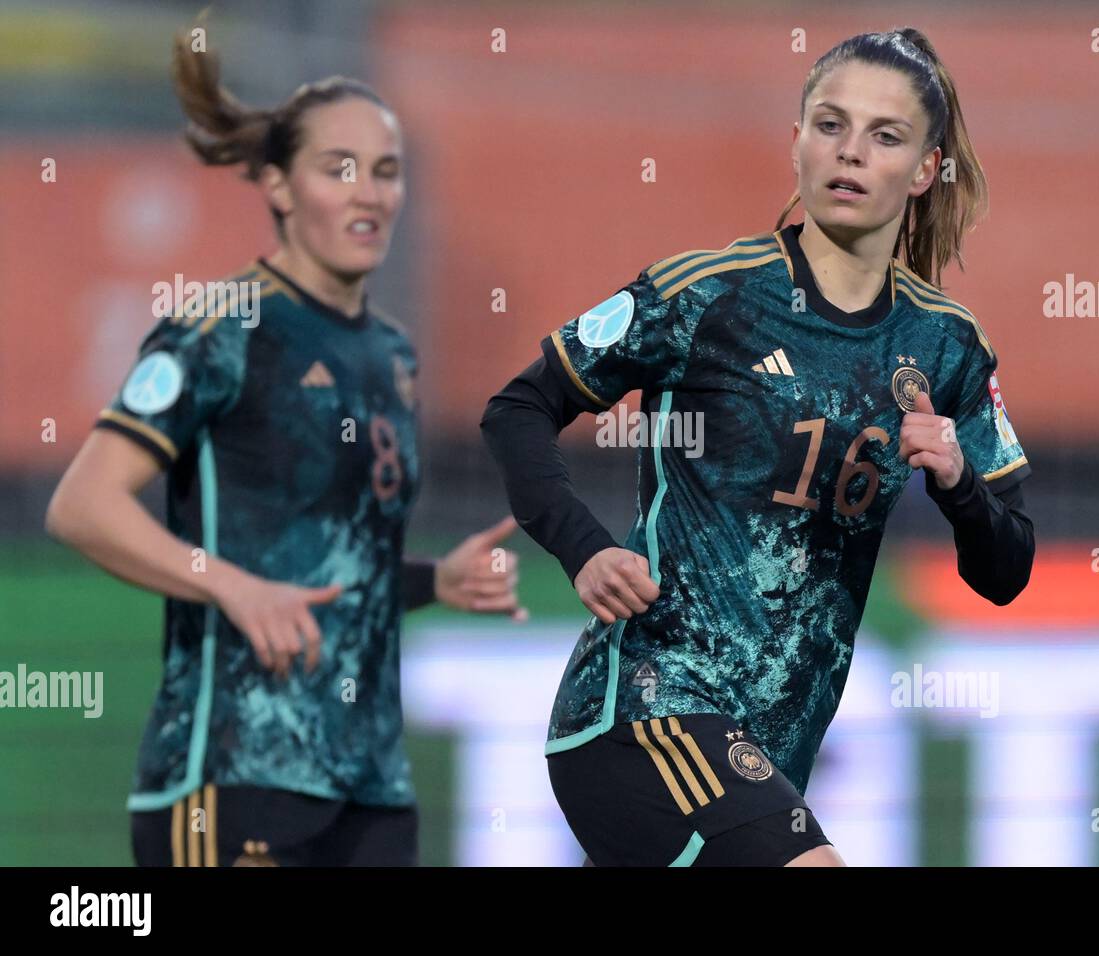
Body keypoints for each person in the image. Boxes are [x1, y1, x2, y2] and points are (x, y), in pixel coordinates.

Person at [480, 28, 1034, 867]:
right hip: (642, 710)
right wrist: (583, 548)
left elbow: (1008, 570)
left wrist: (959, 485)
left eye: (885, 136)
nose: (850, 153)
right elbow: (519, 408)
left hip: (772, 753)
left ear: (924, 169)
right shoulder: (705, 296)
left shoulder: (947, 347)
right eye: (829, 124)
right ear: (798, 140)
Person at [45, 26, 524, 866]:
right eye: (338, 168)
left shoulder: (393, 355)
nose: (368, 193)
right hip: (230, 774)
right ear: (277, 183)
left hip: (372, 788)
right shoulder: (224, 330)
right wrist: (233, 588)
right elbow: (81, 506)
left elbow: (322, 570)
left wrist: (434, 581)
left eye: (386, 170)